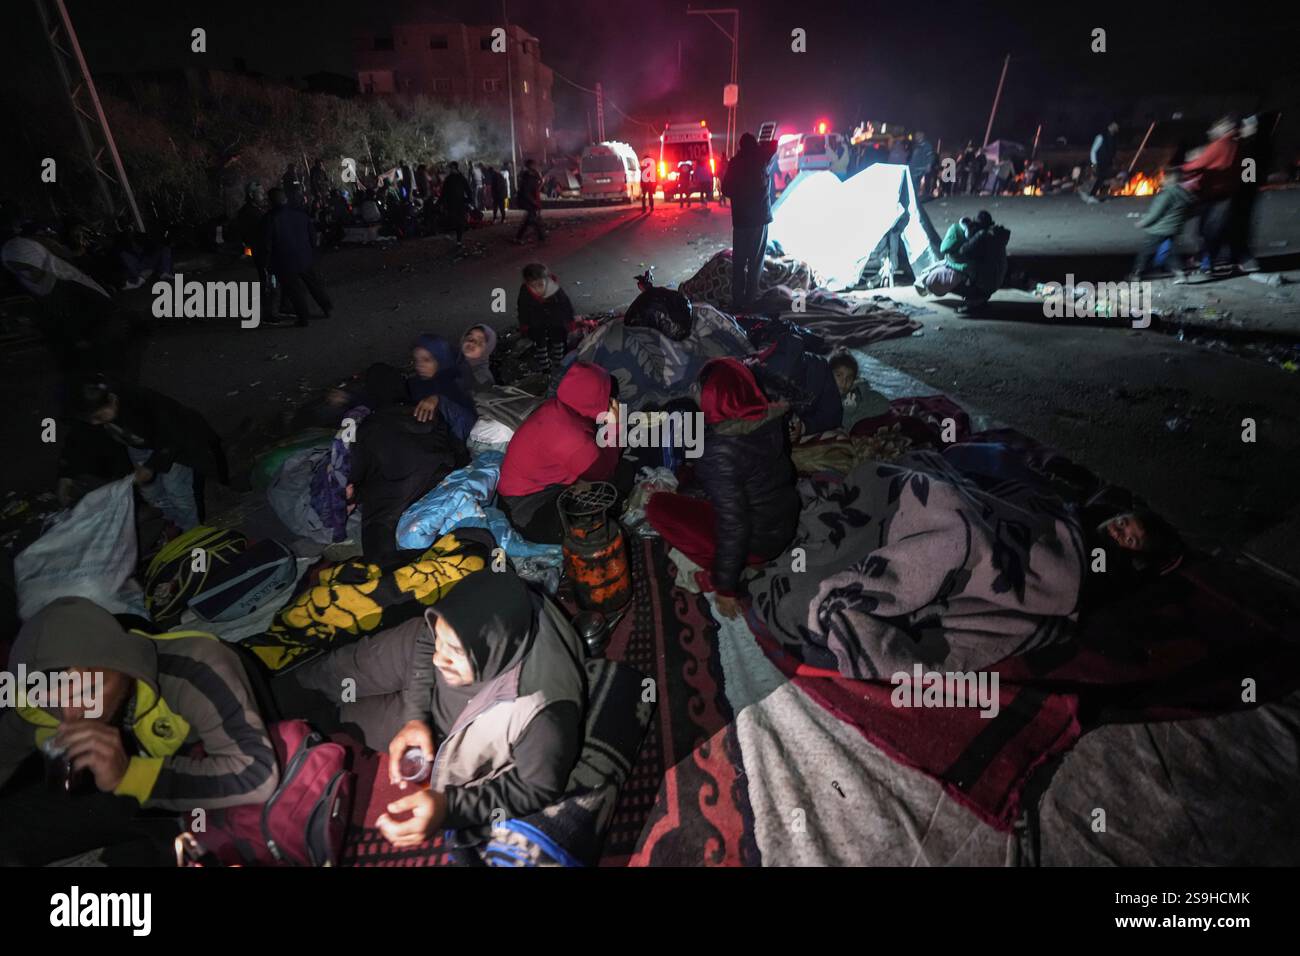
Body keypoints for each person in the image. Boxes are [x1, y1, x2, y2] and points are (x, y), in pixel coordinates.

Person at [277, 569, 585, 845]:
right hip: (415, 666)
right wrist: (414, 717)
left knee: (348, 715)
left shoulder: (543, 715)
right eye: (442, 639)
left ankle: (314, 720)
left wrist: (449, 807)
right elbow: (428, 640)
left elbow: (536, 788)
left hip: (447, 729)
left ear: (494, 651)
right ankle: (272, 699)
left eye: (453, 651)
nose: (440, 659)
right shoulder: (474, 620)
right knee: (336, 672)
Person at [0, 597, 278, 865]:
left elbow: (257, 774)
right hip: (116, 792)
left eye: (88, 692)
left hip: (204, 788)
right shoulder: (36, 704)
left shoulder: (195, 665)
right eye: (53, 704)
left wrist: (129, 774)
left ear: (122, 663)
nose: (73, 715)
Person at [645, 358, 799, 619]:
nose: (695, 391)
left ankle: (735, 567)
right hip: (783, 518)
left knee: (658, 507)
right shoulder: (769, 415)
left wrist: (725, 588)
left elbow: (734, 524)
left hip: (757, 541)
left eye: (700, 389)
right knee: (688, 481)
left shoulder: (718, 450)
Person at [63, 377, 228, 530]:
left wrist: (151, 466)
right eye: (92, 419)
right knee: (151, 492)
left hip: (176, 446)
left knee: (177, 492)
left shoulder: (142, 403)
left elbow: (173, 435)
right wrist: (66, 474)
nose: (96, 423)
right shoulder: (97, 411)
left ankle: (191, 531)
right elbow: (78, 439)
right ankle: (172, 524)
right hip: (140, 445)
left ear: (113, 400)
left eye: (100, 416)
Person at [350, 363, 469, 563]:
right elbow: (458, 450)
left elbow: (356, 475)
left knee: (376, 533)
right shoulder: (429, 412)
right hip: (440, 488)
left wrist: (354, 496)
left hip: (396, 504)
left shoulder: (368, 427)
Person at [498, 361, 622, 544]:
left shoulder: (557, 408)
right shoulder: (569, 435)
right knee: (617, 484)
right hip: (528, 508)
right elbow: (603, 473)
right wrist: (615, 427)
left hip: (530, 490)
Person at [1, 235, 146, 383]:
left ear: (37, 261)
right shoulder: (29, 286)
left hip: (105, 343)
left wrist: (85, 340)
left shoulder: (68, 280)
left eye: (27, 267)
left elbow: (107, 313)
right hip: (81, 353)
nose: (25, 274)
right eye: (18, 270)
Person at [721, 131, 779, 310]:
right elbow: (774, 144)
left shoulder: (735, 163)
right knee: (755, 261)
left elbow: (726, 190)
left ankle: (738, 300)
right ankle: (751, 299)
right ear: (754, 144)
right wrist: (760, 145)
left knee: (739, 262)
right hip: (759, 220)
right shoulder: (761, 159)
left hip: (741, 220)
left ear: (740, 146)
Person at [1179, 115, 1241, 281]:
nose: (1211, 130)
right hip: (1227, 193)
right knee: (1214, 229)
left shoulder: (1220, 145)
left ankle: (1206, 265)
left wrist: (1182, 167)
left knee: (1206, 231)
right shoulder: (1236, 145)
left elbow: (1198, 164)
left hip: (1213, 193)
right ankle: (1204, 259)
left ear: (1225, 128)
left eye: (1216, 127)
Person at [264, 186, 332, 327]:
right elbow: (312, 236)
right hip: (305, 257)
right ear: (285, 199)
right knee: (314, 284)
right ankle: (326, 307)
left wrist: (267, 263)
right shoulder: (299, 214)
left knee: (295, 290)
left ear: (270, 202)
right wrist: (311, 251)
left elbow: (266, 244)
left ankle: (303, 317)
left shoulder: (270, 219)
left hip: (284, 262)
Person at [914, 210, 1010, 307]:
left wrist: (970, 234)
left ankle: (975, 298)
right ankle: (978, 296)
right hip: (993, 282)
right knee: (953, 269)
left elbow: (963, 252)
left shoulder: (982, 237)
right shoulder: (996, 235)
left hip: (984, 284)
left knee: (937, 279)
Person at [757, 332, 843, 436]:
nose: (783, 401)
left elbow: (833, 414)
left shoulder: (819, 370)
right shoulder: (755, 374)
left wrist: (804, 427)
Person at [407, 334, 477, 442]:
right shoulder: (418, 383)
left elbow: (466, 424)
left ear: (440, 360)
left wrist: (440, 401)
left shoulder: (455, 383)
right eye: (417, 360)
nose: (419, 365)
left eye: (426, 360)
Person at [1128, 166, 1194, 279]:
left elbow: (1155, 213)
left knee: (1146, 252)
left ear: (1169, 179)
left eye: (1162, 178)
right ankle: (1180, 274)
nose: (1161, 180)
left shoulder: (1167, 195)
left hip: (1159, 229)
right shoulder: (1184, 194)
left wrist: (1143, 222)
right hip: (1174, 228)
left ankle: (1136, 274)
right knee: (1170, 252)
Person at [517, 262, 575, 377]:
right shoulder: (525, 291)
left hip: (556, 320)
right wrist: (524, 324)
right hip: (536, 321)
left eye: (540, 285)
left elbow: (566, 305)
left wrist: (570, 321)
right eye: (533, 286)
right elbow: (522, 308)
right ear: (527, 283)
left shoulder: (555, 290)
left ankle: (558, 364)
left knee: (558, 341)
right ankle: (545, 367)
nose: (537, 289)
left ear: (547, 280)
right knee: (540, 343)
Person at [828, 349, 892, 431]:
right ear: (828, 374)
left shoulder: (856, 392)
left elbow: (885, 404)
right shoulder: (825, 397)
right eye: (839, 375)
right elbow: (843, 427)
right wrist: (848, 412)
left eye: (849, 378)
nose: (844, 382)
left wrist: (863, 391)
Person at [1083, 121, 1120, 203]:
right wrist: (1094, 163)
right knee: (1099, 178)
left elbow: (1111, 151)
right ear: (1110, 126)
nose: (1116, 128)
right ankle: (1089, 195)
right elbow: (1093, 150)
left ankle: (1096, 195)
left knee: (1103, 179)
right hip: (1099, 162)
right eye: (1115, 126)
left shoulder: (1112, 137)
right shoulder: (1101, 137)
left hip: (1106, 163)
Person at [438, 161, 473, 244]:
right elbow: (444, 192)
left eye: (450, 168)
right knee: (455, 219)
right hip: (452, 203)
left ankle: (459, 239)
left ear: (454, 168)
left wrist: (469, 199)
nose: (450, 169)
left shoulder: (458, 178)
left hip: (458, 203)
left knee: (459, 221)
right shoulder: (451, 178)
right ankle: (457, 238)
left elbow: (467, 189)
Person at [514, 158, 546, 244]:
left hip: (531, 201)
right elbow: (526, 193)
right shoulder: (528, 177)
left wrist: (541, 182)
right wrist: (534, 202)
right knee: (532, 219)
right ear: (530, 166)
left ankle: (540, 237)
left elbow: (537, 189)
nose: (536, 167)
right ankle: (540, 237)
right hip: (528, 201)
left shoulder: (533, 176)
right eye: (534, 165)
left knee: (531, 219)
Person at [459, 323, 497, 390]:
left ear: (487, 350)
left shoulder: (484, 381)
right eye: (470, 338)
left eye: (479, 342)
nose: (471, 344)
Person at [908, 131, 936, 199]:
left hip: (920, 167)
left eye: (917, 135)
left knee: (916, 182)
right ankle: (913, 196)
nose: (916, 137)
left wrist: (929, 165)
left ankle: (917, 196)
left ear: (921, 136)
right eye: (916, 135)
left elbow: (930, 155)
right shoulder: (916, 145)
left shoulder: (926, 145)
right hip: (914, 167)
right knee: (913, 182)